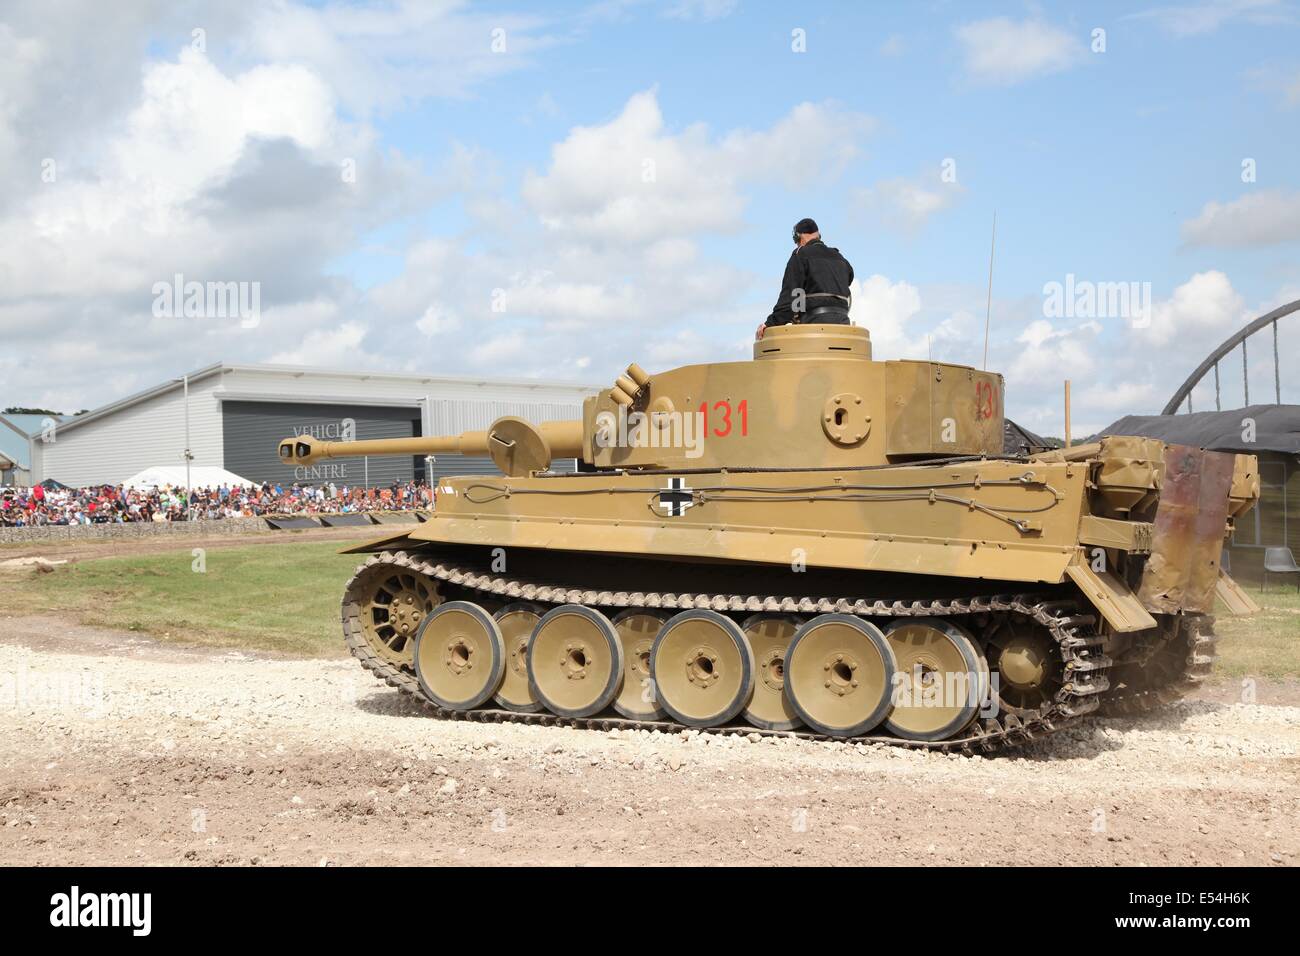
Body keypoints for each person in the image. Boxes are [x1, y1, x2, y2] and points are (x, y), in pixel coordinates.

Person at [757, 218, 854, 339]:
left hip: (813, 328)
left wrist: (769, 324)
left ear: (799, 238)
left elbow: (788, 301)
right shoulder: (839, 257)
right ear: (818, 235)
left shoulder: (800, 255)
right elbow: (850, 276)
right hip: (843, 327)